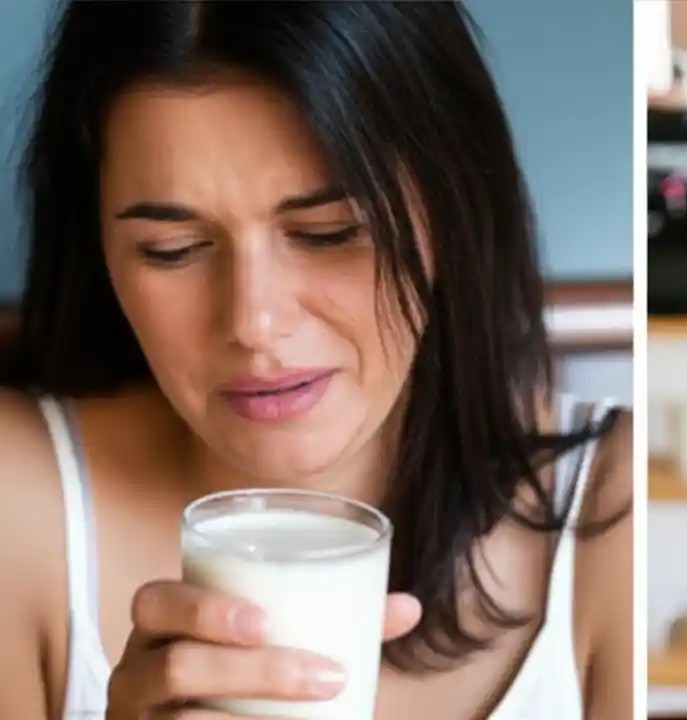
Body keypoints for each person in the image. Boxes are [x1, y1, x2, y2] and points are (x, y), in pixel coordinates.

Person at [0, 2, 633, 718]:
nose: (255, 323)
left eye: (330, 233)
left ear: (453, 211)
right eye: (171, 251)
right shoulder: (16, 504)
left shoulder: (613, 513)